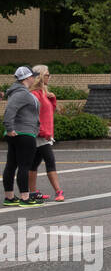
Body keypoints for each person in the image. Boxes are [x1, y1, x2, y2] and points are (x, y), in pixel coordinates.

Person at [4, 66, 43, 207]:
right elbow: (10, 110)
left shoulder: (18, 92)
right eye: (33, 76)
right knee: (24, 166)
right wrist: (9, 127)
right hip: (24, 133)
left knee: (11, 165)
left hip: (19, 132)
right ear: (27, 78)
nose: (34, 78)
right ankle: (25, 198)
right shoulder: (21, 93)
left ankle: (9, 197)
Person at [28, 65, 66, 201]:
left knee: (34, 163)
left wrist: (53, 99)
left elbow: (49, 112)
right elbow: (33, 116)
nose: (49, 77)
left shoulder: (44, 93)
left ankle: (33, 192)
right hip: (40, 135)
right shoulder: (34, 94)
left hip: (46, 134)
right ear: (40, 76)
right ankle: (58, 191)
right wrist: (42, 131)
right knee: (50, 160)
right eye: (47, 75)